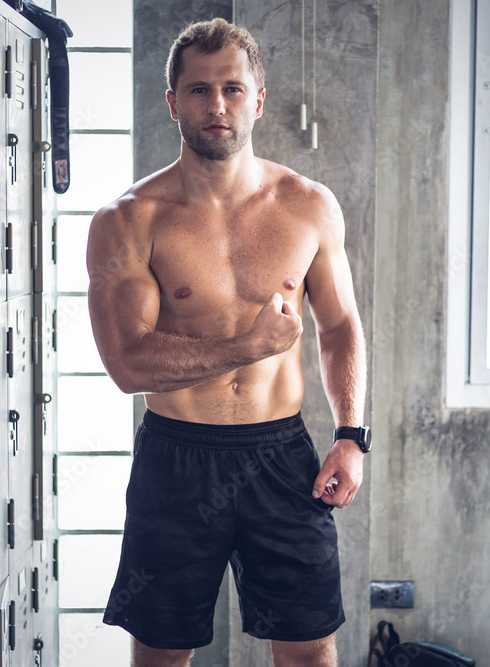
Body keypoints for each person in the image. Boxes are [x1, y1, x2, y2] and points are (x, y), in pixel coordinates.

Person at [86, 18, 369, 667]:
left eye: (233, 89)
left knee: (308, 648)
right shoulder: (129, 220)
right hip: (176, 461)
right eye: (199, 90)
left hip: (281, 454)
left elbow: (341, 325)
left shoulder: (308, 206)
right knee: (162, 653)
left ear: (258, 99)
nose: (218, 105)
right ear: (173, 102)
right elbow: (129, 363)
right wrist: (251, 344)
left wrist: (352, 435)